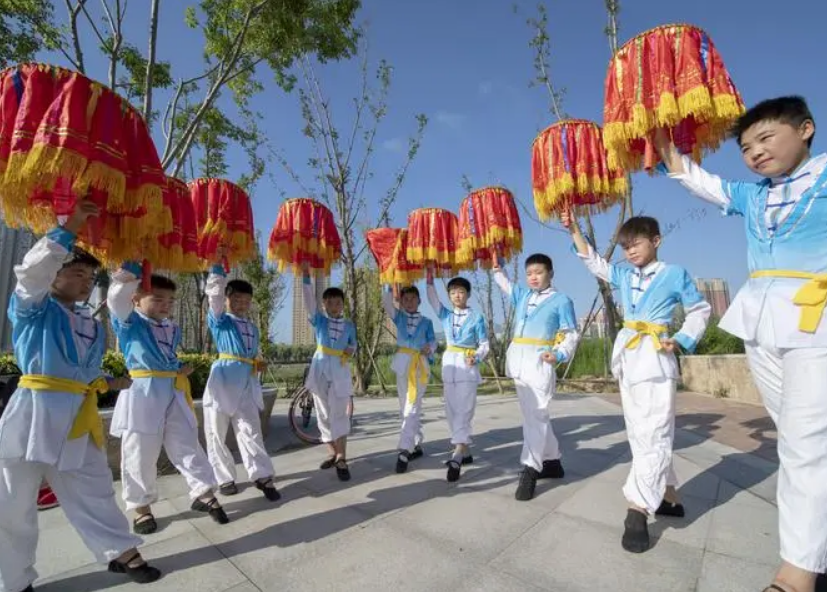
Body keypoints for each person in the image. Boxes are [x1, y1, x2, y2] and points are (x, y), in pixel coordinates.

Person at [653, 95, 827, 592]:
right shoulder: (754, 196)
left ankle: (796, 575)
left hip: (817, 320)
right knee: (799, 437)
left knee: (804, 444)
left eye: (766, 138)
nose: (755, 153)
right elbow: (701, 182)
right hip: (761, 324)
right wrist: (666, 146)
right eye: (747, 147)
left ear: (807, 129)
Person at [0, 200, 160, 592]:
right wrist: (69, 227)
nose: (86, 281)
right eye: (77, 273)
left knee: (94, 485)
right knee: (12, 502)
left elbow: (85, 371)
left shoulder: (88, 319)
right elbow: (31, 275)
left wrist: (106, 381)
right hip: (33, 412)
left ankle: (120, 551)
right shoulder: (33, 308)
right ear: (55, 276)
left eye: (90, 275)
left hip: (77, 413)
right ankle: (13, 580)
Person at [564, 211, 711, 553]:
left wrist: (683, 338)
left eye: (636, 244)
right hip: (629, 357)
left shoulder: (674, 274)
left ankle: (638, 507)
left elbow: (700, 309)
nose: (629, 251)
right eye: (625, 246)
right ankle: (670, 497)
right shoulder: (623, 274)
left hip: (656, 354)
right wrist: (573, 228)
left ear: (656, 241)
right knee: (639, 431)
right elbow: (593, 261)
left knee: (655, 430)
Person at [108, 263, 228, 535]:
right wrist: (131, 270)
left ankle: (202, 491)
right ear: (135, 299)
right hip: (142, 391)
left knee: (186, 442)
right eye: (158, 299)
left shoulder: (171, 328)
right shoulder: (129, 322)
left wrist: (178, 368)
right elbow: (115, 299)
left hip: (171, 390)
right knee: (139, 451)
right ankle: (141, 508)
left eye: (170, 300)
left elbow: (168, 358)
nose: (166, 305)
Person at [492, 254, 579, 501]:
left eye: (538, 272)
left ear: (550, 273)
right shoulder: (523, 296)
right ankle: (552, 462)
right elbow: (506, 284)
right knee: (533, 416)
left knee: (536, 416)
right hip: (519, 362)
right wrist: (498, 268)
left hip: (540, 361)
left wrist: (560, 353)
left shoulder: (562, 300)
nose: (533, 277)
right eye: (529, 273)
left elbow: (570, 333)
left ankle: (530, 468)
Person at [203, 259, 279, 501]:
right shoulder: (220, 320)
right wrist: (217, 269)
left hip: (247, 381)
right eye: (236, 300)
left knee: (251, 430)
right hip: (222, 380)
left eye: (246, 301)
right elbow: (213, 296)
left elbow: (254, 353)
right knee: (217, 431)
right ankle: (224, 478)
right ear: (227, 299)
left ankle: (261, 475)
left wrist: (259, 362)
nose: (241, 304)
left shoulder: (253, 328)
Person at [426, 272, 489, 482]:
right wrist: (429, 278)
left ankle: (457, 454)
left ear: (468, 294)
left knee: (464, 409)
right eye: (453, 292)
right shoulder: (445, 315)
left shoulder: (477, 317)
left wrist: (477, 357)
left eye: (461, 292)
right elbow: (432, 299)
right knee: (451, 411)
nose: (457, 295)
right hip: (449, 365)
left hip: (467, 363)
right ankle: (465, 450)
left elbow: (484, 344)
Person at [302, 265, 357, 481]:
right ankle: (332, 452)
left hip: (340, 369)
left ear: (343, 304)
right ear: (324, 305)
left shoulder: (349, 325)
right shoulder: (320, 321)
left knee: (340, 413)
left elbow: (354, 345)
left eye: (338, 303)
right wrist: (306, 276)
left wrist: (350, 350)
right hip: (321, 366)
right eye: (330, 303)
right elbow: (308, 300)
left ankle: (342, 456)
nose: (335, 306)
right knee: (323, 413)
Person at [382, 284, 436, 474]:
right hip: (402, 363)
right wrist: (388, 281)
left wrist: (430, 348)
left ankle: (404, 450)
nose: (410, 302)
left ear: (419, 300)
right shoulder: (399, 317)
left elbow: (433, 341)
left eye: (413, 298)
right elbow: (386, 303)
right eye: (405, 299)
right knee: (405, 405)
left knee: (411, 407)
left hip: (419, 365)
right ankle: (416, 444)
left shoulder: (427, 322)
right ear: (401, 302)